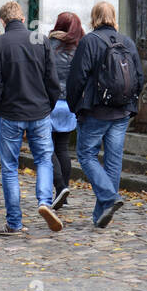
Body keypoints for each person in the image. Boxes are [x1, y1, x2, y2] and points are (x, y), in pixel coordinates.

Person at [0, 1, 63, 236]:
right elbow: (52, 80)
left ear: (2, 21)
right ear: (21, 18)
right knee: (43, 160)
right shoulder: (40, 40)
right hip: (39, 110)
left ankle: (15, 222)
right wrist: (48, 105)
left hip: (10, 112)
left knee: (9, 168)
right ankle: (44, 201)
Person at [66, 1, 143, 230]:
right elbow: (139, 76)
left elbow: (77, 77)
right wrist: (130, 101)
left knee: (86, 155)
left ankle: (108, 199)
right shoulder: (127, 41)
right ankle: (102, 214)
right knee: (113, 160)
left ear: (94, 18)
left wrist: (74, 105)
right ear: (113, 17)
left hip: (96, 110)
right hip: (121, 111)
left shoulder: (89, 41)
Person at [44, 12, 82, 210]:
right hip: (68, 104)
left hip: (49, 102)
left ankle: (59, 187)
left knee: (47, 148)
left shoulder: (48, 44)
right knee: (63, 148)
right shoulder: (79, 47)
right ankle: (63, 193)